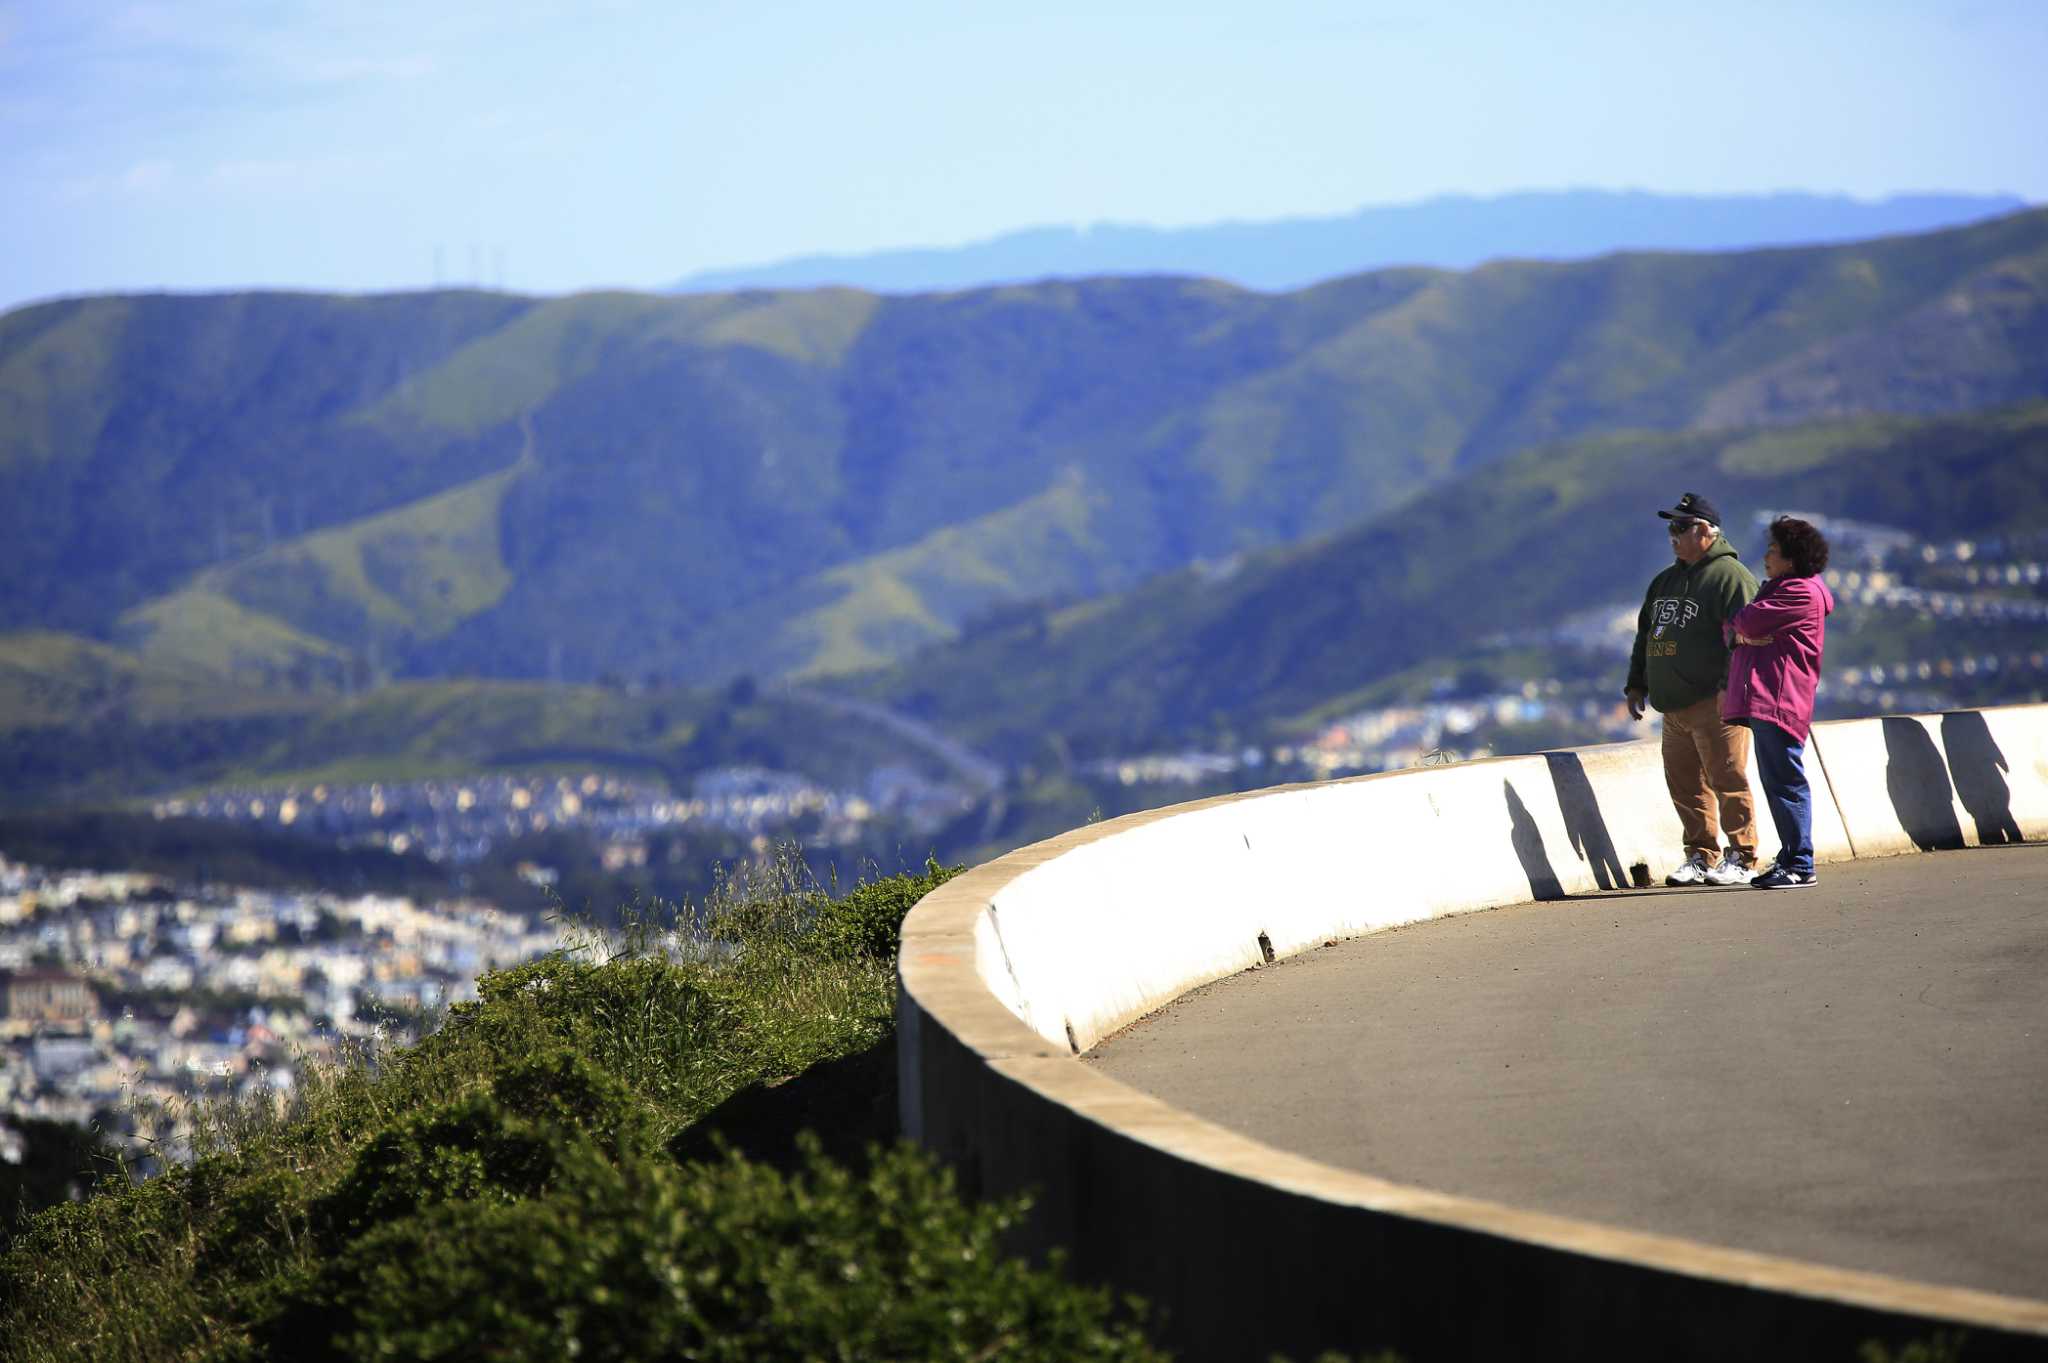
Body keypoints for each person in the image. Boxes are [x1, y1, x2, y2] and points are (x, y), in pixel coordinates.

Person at [1624, 492, 1760, 886]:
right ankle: (1700, 855)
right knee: (1686, 786)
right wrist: (1636, 683)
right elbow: (1646, 635)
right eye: (1671, 526)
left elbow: (1745, 639)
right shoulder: (1664, 581)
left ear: (1705, 531)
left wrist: (1729, 688)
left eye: (1681, 527)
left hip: (1714, 702)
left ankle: (1743, 857)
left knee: (1727, 779)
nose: (1673, 534)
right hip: (1673, 707)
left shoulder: (1730, 578)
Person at [1723, 517, 1835, 889]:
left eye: (1773, 550)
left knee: (1785, 782)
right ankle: (1790, 858)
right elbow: (1736, 630)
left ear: (1791, 558)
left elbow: (1745, 622)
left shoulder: (1797, 592)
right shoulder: (1783, 589)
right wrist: (1740, 634)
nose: (1766, 556)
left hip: (1778, 698)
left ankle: (1800, 863)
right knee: (1776, 781)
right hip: (1770, 698)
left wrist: (1741, 633)